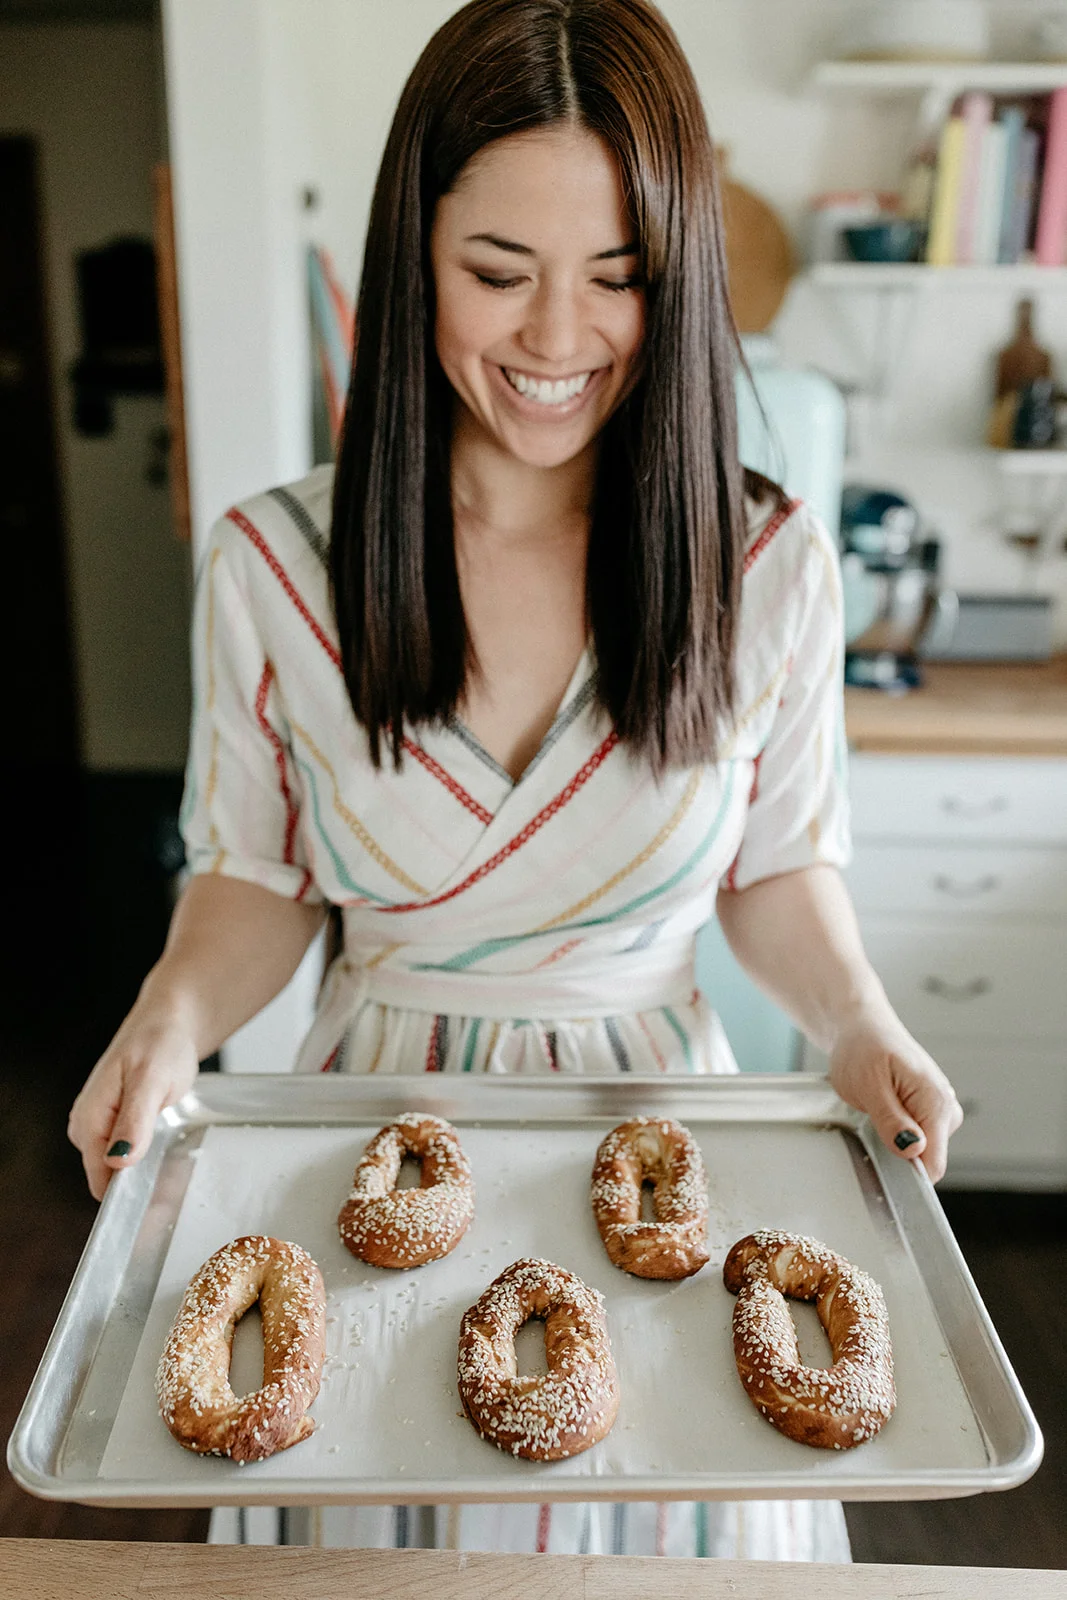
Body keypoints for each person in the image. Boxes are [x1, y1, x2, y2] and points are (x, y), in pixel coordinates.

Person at [68, 0, 962, 1562]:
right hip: (368, 1133)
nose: (557, 341)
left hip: (662, 1131)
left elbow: (772, 873)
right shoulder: (275, 569)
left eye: (617, 277)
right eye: (498, 272)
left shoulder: (766, 567)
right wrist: (170, 1018)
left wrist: (858, 1021)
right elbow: (257, 880)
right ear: (411, 255)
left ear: (675, 279)